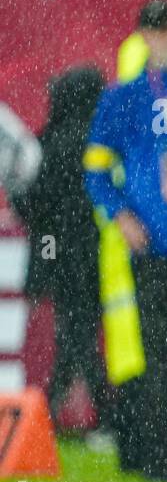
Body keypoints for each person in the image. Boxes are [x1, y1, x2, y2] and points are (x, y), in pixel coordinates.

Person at [83, 0, 167, 481]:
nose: (166, 38)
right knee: (160, 353)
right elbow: (94, 173)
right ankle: (166, 456)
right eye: (156, 30)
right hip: (153, 245)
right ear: (144, 36)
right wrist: (120, 216)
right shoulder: (122, 98)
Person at [18, 67, 116, 447]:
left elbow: (29, 203)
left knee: (74, 338)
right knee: (80, 338)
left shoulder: (48, 142)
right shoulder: (96, 144)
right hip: (93, 260)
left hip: (59, 263)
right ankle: (89, 418)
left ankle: (45, 416)